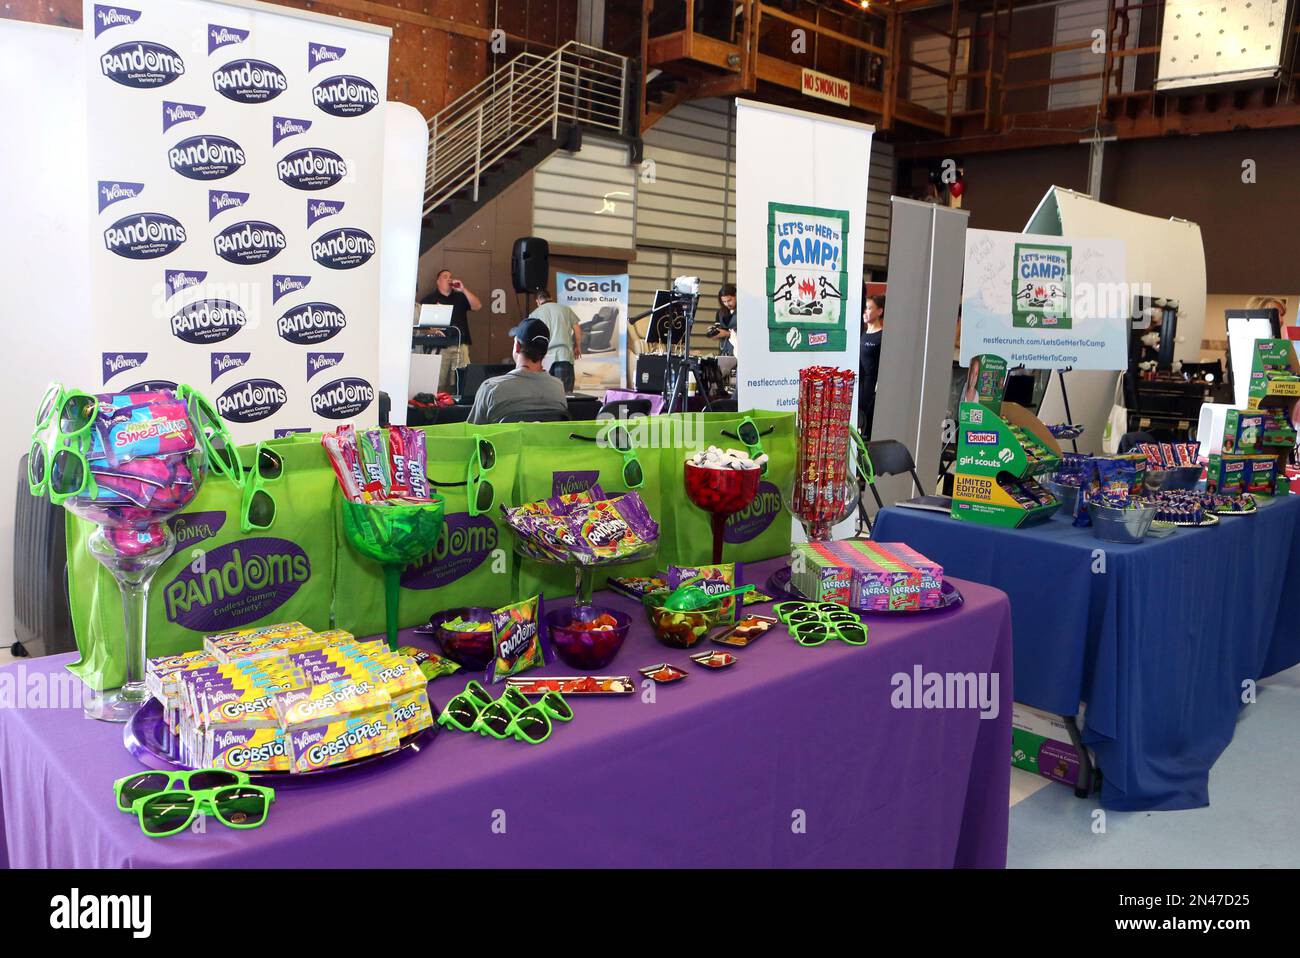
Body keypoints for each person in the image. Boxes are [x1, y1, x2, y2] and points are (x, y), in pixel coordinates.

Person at [467, 318, 568, 424]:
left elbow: (473, 433)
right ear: (544, 352)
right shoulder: (558, 388)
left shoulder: (491, 388)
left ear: (517, 347)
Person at [419, 268, 482, 394]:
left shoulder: (460, 297)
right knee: (438, 381)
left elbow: (477, 306)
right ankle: (434, 410)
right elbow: (422, 326)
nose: (449, 279)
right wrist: (433, 331)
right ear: (438, 281)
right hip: (439, 346)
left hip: (460, 345)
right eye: (445, 276)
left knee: (461, 381)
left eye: (450, 276)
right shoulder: (429, 299)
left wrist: (463, 289)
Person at [529, 288, 583, 392]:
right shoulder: (565, 309)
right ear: (551, 298)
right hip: (564, 356)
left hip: (544, 360)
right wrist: (577, 346)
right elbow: (578, 330)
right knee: (566, 395)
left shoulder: (534, 314)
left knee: (547, 394)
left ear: (538, 301)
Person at [859, 294, 884, 437]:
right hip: (857, 385)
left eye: (869, 308)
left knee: (865, 424)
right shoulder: (861, 334)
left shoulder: (882, 336)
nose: (865, 312)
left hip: (870, 386)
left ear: (879, 311)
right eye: (864, 308)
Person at [708, 283, 736, 357]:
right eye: (724, 302)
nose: (727, 304)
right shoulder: (720, 313)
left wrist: (727, 334)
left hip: (738, 351)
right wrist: (714, 333)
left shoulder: (743, 312)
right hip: (724, 351)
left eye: (729, 300)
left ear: (736, 296)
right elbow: (718, 330)